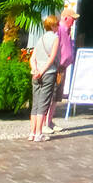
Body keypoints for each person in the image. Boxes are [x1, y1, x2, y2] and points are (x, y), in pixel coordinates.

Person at [45, 3, 78, 134]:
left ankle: (50, 121)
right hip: (56, 67)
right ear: (65, 18)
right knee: (51, 95)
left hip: (63, 68)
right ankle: (44, 123)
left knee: (57, 97)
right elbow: (52, 46)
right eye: (72, 19)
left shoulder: (67, 31)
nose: (74, 22)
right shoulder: (59, 29)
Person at [29, 14, 61, 142]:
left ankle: (32, 132)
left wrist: (35, 70)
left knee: (35, 104)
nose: (58, 26)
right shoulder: (55, 38)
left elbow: (32, 58)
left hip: (35, 74)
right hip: (48, 73)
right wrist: (42, 71)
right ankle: (39, 133)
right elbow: (52, 58)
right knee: (43, 104)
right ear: (53, 25)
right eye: (57, 24)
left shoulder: (40, 38)